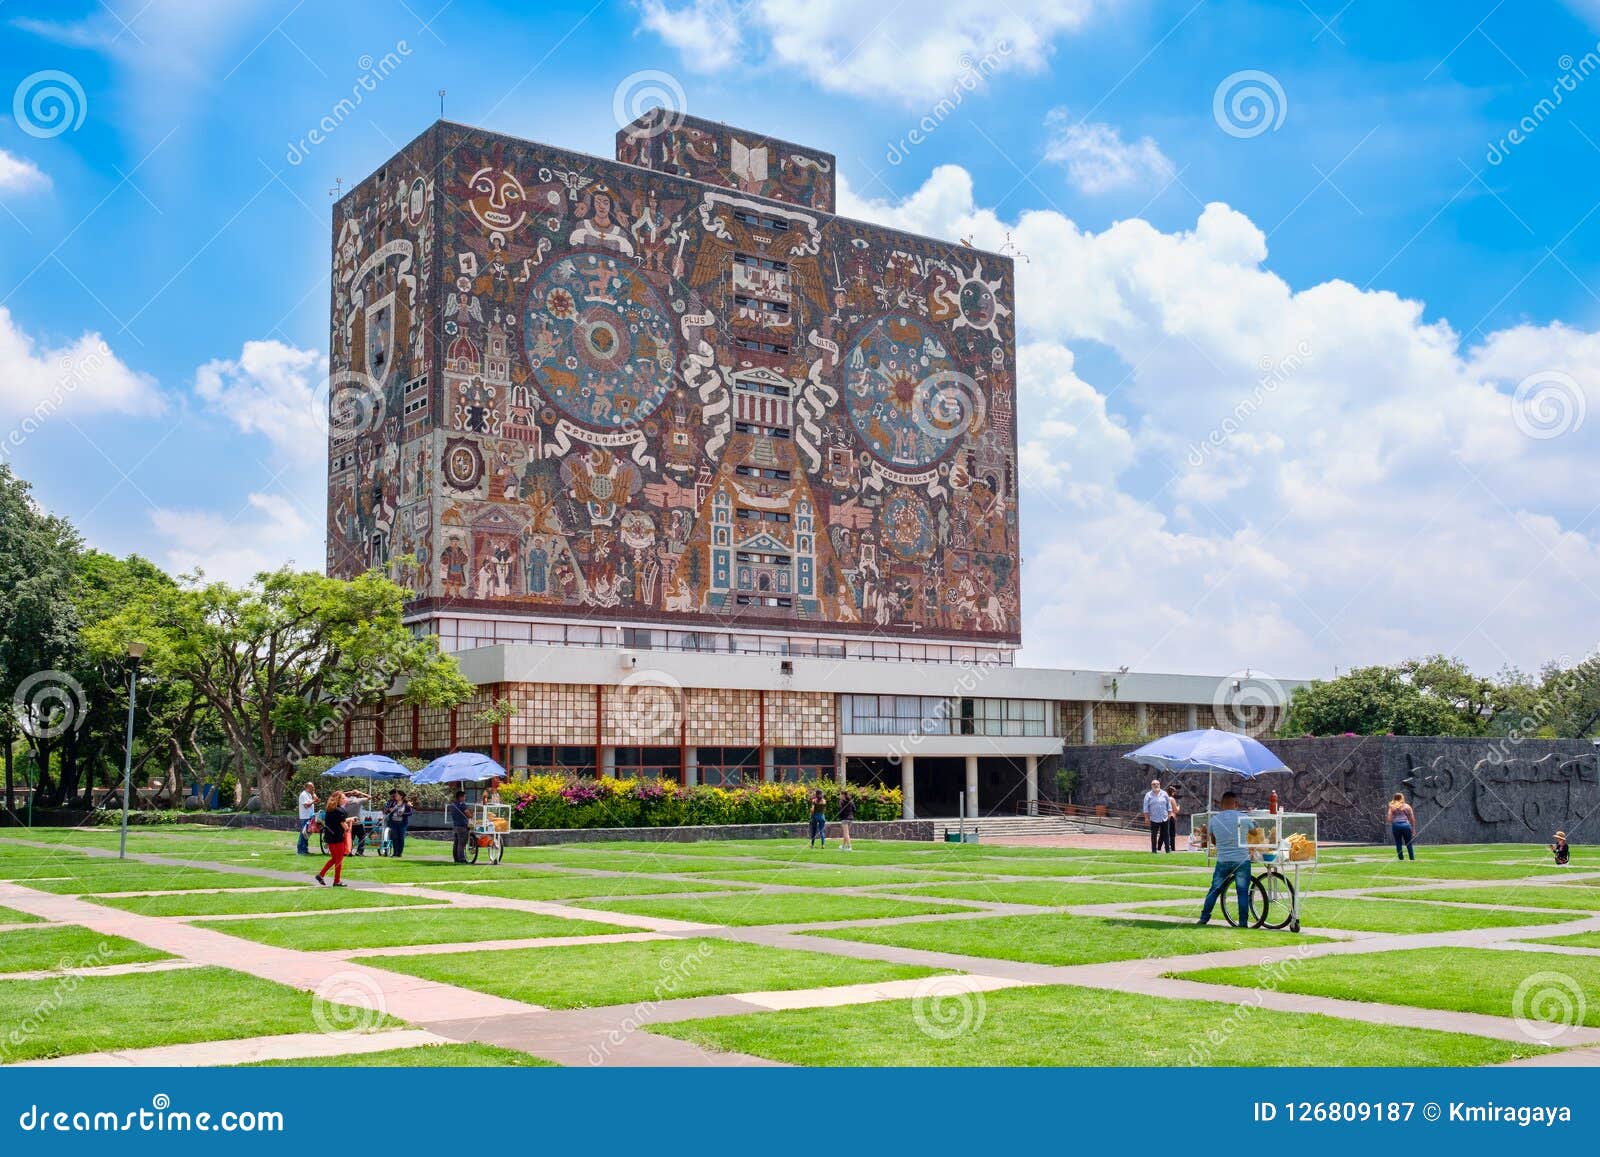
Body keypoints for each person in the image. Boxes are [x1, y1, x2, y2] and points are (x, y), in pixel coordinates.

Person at [1198, 791, 1256, 926]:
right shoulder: (1243, 817)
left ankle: (1204, 918)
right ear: (1236, 804)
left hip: (1223, 860)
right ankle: (1243, 922)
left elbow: (1213, 840)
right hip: (1242, 860)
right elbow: (1254, 831)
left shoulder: (1214, 819)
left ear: (1221, 804)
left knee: (1214, 889)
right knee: (1242, 892)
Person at [315, 790, 352, 886]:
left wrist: (349, 819)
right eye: (343, 798)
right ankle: (336, 881)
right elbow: (345, 827)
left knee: (334, 859)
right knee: (339, 860)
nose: (345, 799)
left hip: (330, 837)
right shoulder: (340, 811)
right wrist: (351, 824)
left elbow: (338, 821)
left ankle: (321, 875)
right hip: (338, 838)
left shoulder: (330, 810)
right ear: (338, 799)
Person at [1141, 778, 1173, 854]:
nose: (1156, 785)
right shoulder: (1148, 795)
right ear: (1151, 786)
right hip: (1154, 818)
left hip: (1164, 818)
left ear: (1160, 785)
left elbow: (1169, 805)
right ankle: (1154, 850)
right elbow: (1145, 807)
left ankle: (1168, 850)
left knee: (1166, 834)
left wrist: (1169, 815)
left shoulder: (1164, 794)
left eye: (1157, 784)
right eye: (1154, 784)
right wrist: (1146, 818)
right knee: (1154, 835)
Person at [1386, 792, 1417, 861]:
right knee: (1409, 843)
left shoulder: (1392, 807)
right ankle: (1412, 859)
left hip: (1396, 825)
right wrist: (1413, 829)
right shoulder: (1407, 806)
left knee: (1398, 842)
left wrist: (1393, 821)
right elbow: (1412, 818)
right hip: (1406, 825)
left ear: (1394, 798)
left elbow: (1389, 818)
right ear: (1402, 798)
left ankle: (1401, 859)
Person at [384, 789, 413, 858]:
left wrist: (403, 814)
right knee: (395, 837)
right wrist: (389, 810)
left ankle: (399, 853)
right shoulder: (392, 803)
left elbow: (410, 813)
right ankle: (395, 853)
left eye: (397, 795)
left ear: (401, 796)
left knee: (401, 838)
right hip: (393, 823)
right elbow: (386, 810)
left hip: (402, 823)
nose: (395, 796)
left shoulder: (406, 804)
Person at [448, 790, 471, 863]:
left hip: (455, 825)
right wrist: (471, 814)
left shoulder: (453, 805)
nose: (464, 798)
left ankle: (456, 858)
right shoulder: (462, 805)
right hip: (462, 826)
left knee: (456, 843)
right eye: (464, 797)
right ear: (460, 797)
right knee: (462, 843)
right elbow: (469, 815)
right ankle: (461, 859)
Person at [295, 782, 318, 855]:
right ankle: (300, 850)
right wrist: (314, 801)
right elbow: (306, 805)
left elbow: (315, 799)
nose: (313, 788)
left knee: (306, 834)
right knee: (303, 834)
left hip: (310, 816)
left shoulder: (309, 794)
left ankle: (305, 849)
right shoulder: (303, 795)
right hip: (305, 817)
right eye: (312, 787)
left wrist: (314, 796)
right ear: (308, 787)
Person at [1164, 785, 1181, 854]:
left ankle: (1164, 847)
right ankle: (1172, 848)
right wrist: (1178, 807)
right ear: (1173, 792)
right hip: (1171, 817)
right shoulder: (1171, 799)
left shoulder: (1164, 798)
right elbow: (1176, 810)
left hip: (1165, 817)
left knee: (1165, 832)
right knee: (1172, 833)